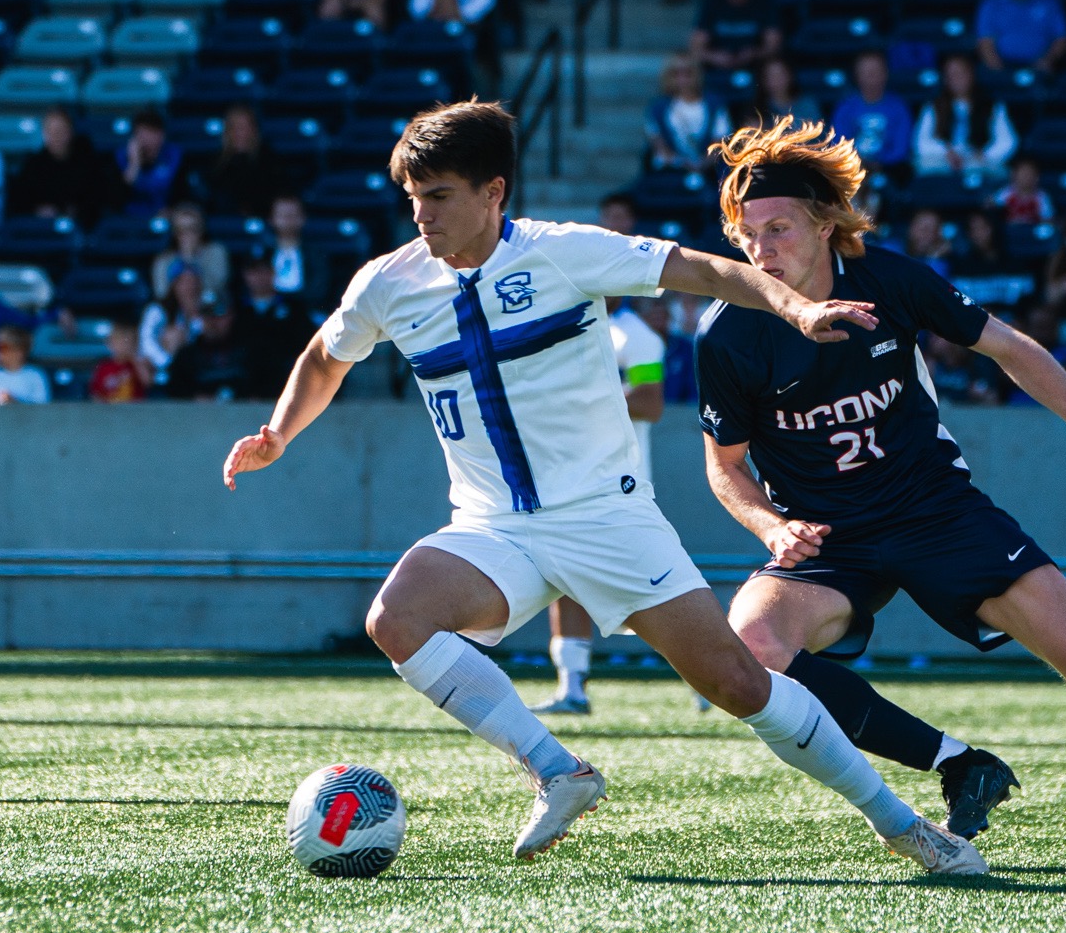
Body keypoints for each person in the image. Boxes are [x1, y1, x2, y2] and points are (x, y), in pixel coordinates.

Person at [223, 100, 985, 874]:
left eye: (439, 195)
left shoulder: (565, 253)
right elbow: (326, 354)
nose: (421, 214)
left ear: (494, 192)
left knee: (738, 681)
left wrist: (791, 304)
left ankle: (901, 823)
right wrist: (280, 430)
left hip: (606, 519)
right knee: (398, 617)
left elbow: (699, 266)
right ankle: (558, 770)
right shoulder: (388, 283)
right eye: (413, 196)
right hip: (494, 526)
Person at [692, 115, 1066, 870]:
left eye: (777, 229)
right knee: (752, 648)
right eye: (747, 235)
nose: (759, 250)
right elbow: (725, 465)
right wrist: (771, 526)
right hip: (826, 534)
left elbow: (1008, 346)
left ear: (826, 225)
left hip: (935, 510)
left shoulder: (891, 279)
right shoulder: (729, 332)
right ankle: (958, 762)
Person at [533, 284, 666, 716]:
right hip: (565, 478)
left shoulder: (637, 337)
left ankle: (708, 675)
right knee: (561, 579)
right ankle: (572, 688)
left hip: (620, 486)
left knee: (657, 593)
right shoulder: (559, 330)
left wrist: (579, 404)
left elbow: (651, 402)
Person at [915, 53, 1017, 177]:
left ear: (971, 74)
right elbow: (920, 143)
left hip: (979, 162)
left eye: (961, 73)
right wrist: (946, 152)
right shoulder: (933, 106)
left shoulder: (992, 106)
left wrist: (985, 154)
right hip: (943, 162)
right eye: (951, 75)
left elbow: (1008, 141)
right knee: (924, 166)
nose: (956, 79)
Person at [8, 107, 111, 224]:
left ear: (70, 132)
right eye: (51, 131)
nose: (56, 136)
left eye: (61, 130)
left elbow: (98, 198)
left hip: (81, 227)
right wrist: (37, 210)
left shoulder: (88, 162)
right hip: (42, 230)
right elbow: (19, 201)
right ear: (44, 134)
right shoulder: (33, 165)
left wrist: (77, 211)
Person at [233, 255, 315, 400]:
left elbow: (306, 343)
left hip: (285, 380)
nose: (259, 277)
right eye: (254, 271)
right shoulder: (236, 310)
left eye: (264, 270)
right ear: (245, 275)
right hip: (246, 385)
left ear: (272, 273)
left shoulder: (293, 308)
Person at [690, 0, 782, 75]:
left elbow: (774, 44)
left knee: (776, 67)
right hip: (717, 68)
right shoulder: (713, 3)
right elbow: (696, 46)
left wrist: (754, 53)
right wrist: (715, 56)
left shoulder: (763, 2)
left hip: (756, 69)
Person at [828, 50, 912, 173]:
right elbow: (838, 143)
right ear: (857, 75)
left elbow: (901, 147)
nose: (871, 76)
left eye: (876, 71)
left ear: (885, 73)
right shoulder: (846, 107)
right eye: (866, 72)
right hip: (851, 167)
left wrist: (880, 162)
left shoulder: (898, 107)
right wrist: (857, 161)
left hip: (889, 169)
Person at [644, 54, 730, 172]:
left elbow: (719, 142)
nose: (682, 79)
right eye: (676, 74)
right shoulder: (658, 108)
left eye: (688, 73)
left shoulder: (714, 105)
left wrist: (702, 164)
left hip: (709, 170)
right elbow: (659, 145)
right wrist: (681, 163)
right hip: (670, 170)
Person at [201, 105, 282, 218]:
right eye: (234, 126)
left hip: (263, 217)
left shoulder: (269, 160)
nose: (240, 132)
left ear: (254, 129)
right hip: (226, 219)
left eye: (244, 126)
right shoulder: (215, 163)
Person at [151, 201, 231, 300]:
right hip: (176, 311)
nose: (187, 234)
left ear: (202, 230)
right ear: (174, 233)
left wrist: (190, 258)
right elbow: (161, 293)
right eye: (181, 230)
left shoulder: (216, 251)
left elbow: (218, 285)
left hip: (209, 308)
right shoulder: (164, 259)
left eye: (193, 228)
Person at [266, 192, 331, 307]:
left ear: (303, 218)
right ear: (272, 219)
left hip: (305, 309)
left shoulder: (315, 253)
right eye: (283, 215)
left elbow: (319, 288)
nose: (288, 220)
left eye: (292, 215)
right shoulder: (263, 252)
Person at [120, 110, 183, 217]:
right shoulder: (120, 157)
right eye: (142, 135)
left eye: (152, 134)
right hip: (131, 219)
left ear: (162, 136)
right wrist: (134, 164)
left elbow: (183, 193)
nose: (147, 141)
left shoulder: (175, 156)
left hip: (168, 217)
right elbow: (118, 198)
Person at [0, 325, 49, 404]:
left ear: (19, 352)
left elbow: (42, 408)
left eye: (3, 347)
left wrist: (15, 402)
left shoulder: (36, 376)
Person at [89, 320, 151, 402]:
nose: (124, 346)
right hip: (109, 411)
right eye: (120, 342)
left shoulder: (138, 364)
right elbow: (95, 394)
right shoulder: (104, 367)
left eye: (128, 343)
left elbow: (148, 382)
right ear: (110, 343)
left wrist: (135, 360)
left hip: (135, 411)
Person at [994, 156, 1053, 225]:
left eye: (1030, 173)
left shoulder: (1042, 197)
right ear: (1014, 175)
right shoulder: (1005, 193)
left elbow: (1048, 220)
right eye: (1023, 173)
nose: (1026, 176)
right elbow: (993, 209)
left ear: (1037, 177)